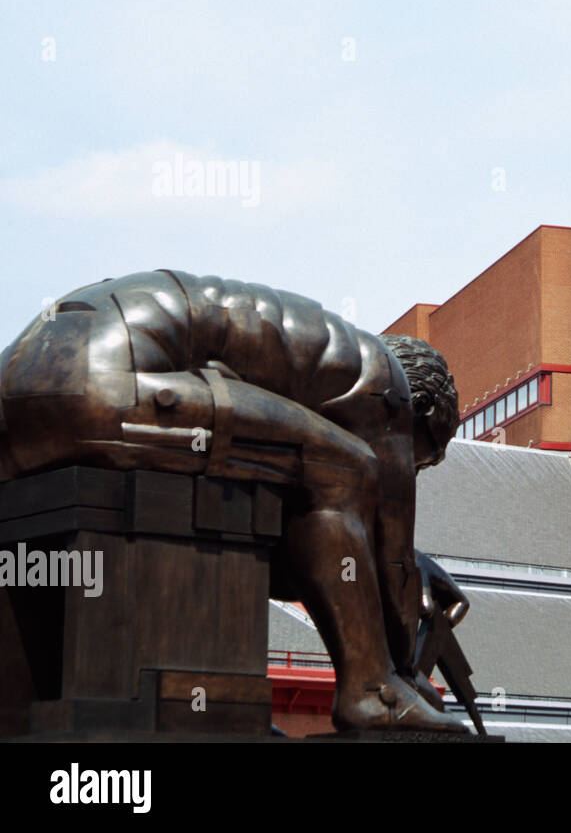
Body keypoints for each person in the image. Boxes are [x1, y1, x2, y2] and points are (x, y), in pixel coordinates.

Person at [0, 269, 466, 733]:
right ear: (420, 415)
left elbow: (305, 546)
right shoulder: (388, 387)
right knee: (345, 468)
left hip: (22, 387)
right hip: (108, 381)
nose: (409, 469)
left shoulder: (324, 360)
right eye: (421, 460)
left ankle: (18, 710)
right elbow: (393, 560)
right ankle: (373, 693)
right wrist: (405, 668)